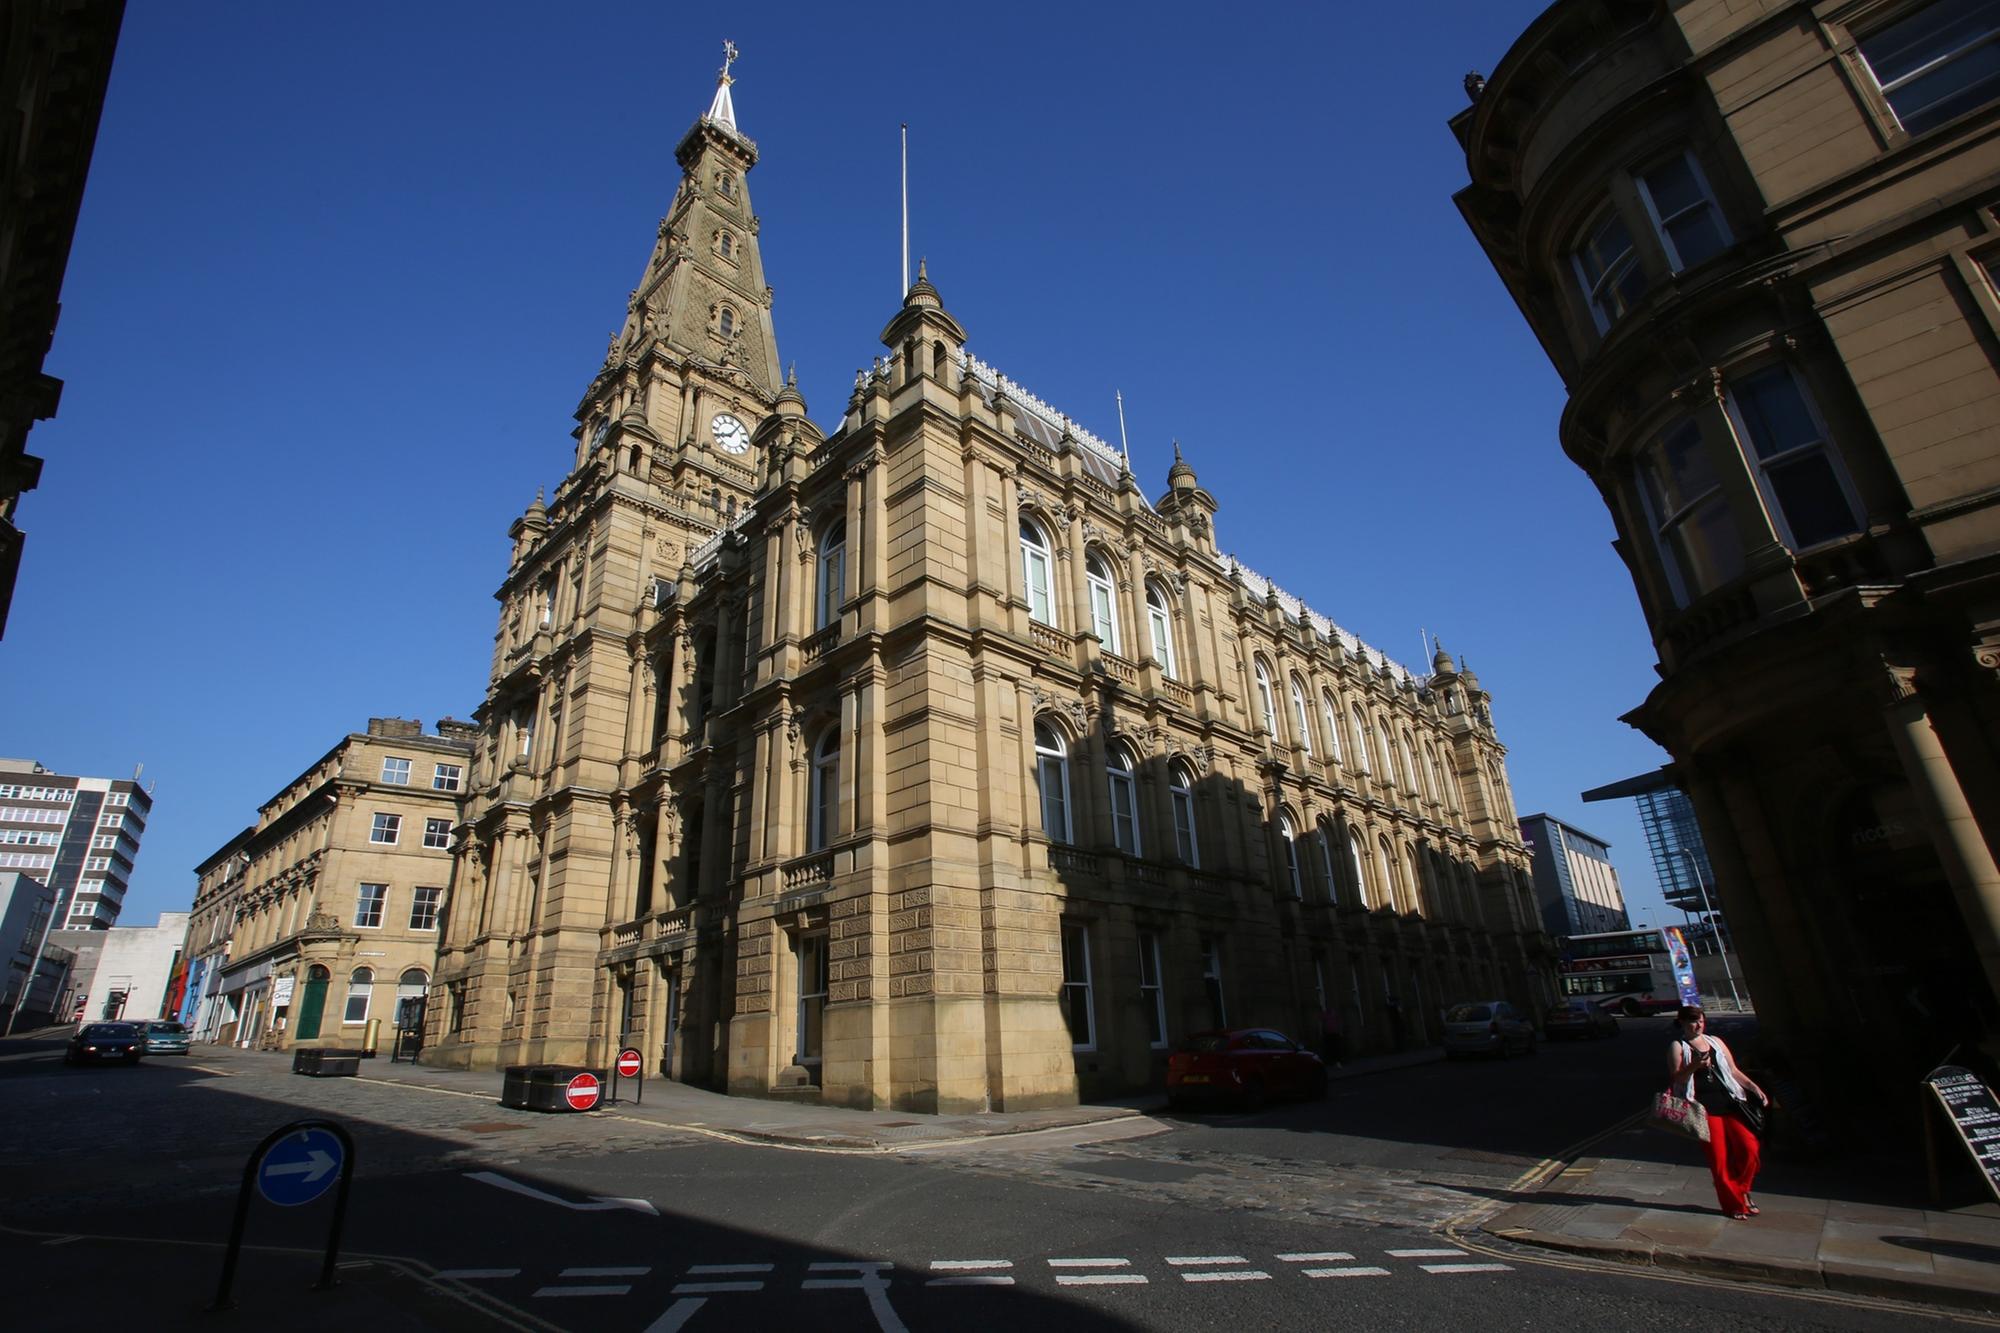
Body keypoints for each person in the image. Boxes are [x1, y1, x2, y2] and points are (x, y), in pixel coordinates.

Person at [1669, 1005, 1775, 1219]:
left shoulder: (1716, 1042)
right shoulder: (1678, 1046)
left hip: (1732, 1105)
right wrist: (1695, 1065)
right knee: (1720, 1160)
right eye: (1693, 1021)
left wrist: (1754, 1088)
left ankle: (1742, 1190)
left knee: (1750, 1149)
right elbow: (1677, 1078)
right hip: (1704, 1110)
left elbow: (1734, 1071)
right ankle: (1734, 1205)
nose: (1698, 1025)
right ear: (1682, 1022)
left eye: (1701, 1020)